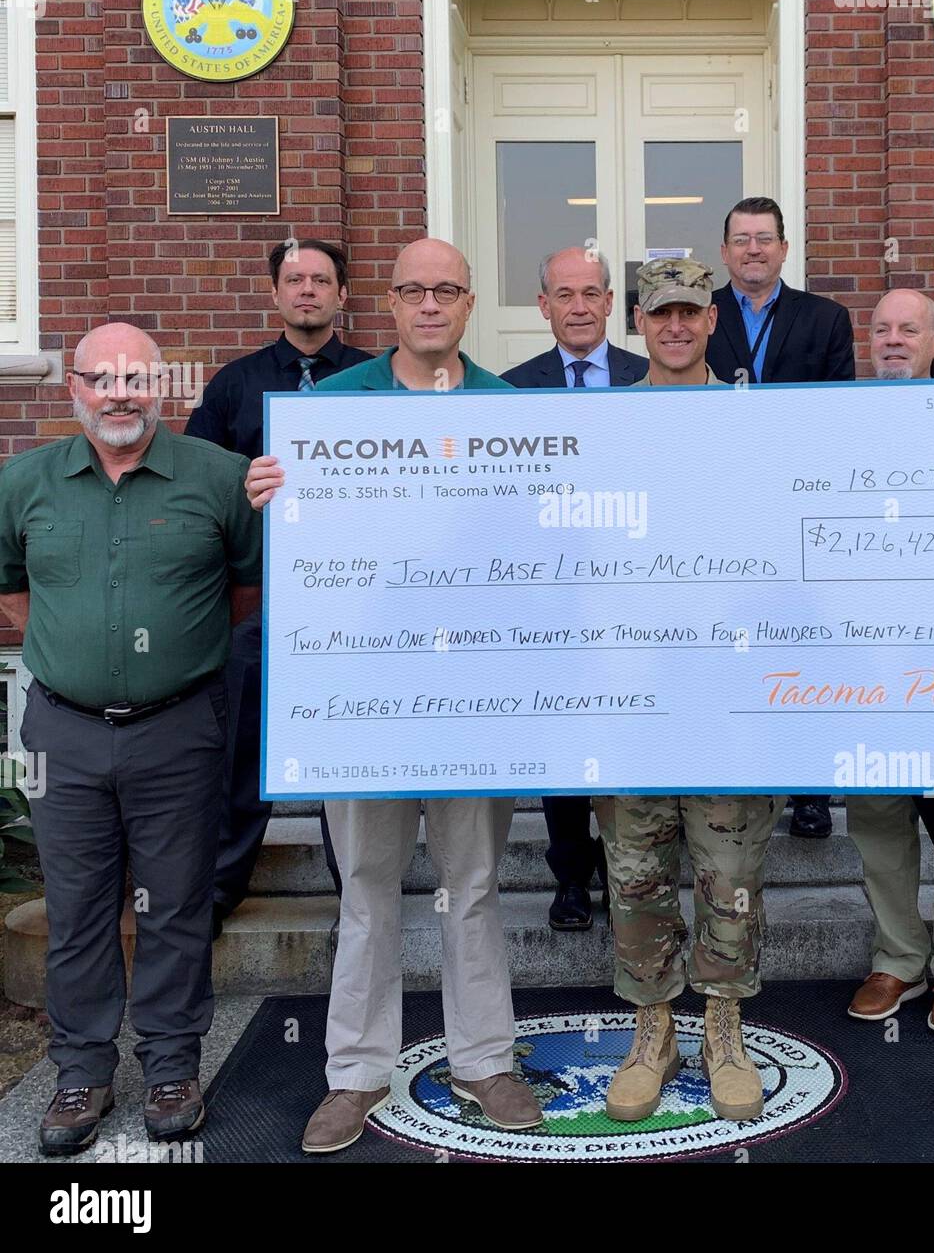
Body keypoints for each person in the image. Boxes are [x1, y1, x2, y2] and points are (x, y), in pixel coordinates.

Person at [245, 238, 543, 1152]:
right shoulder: (329, 409)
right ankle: (356, 1072)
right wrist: (269, 500)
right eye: (411, 290)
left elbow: (541, 555)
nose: (427, 304)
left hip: (471, 697)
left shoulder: (508, 409)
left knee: (474, 884)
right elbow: (294, 561)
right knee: (368, 887)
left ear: (468, 302)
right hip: (364, 695)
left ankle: (485, 1058)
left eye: (445, 289)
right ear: (389, 301)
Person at [0, 322, 261, 1156]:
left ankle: (172, 1066)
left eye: (136, 379)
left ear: (162, 388)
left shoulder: (219, 479)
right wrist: (77, 659)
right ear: (73, 387)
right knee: (76, 911)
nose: (120, 394)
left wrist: (169, 660)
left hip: (179, 730)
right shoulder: (25, 482)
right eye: (101, 379)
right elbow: (11, 590)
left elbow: (246, 592)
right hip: (64, 733)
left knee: (176, 905)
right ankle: (80, 1071)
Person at [593, 257, 783, 1124]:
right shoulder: (601, 425)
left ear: (713, 321)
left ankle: (725, 1028)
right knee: (636, 871)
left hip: (727, 693)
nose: (675, 326)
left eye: (690, 313)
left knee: (730, 869)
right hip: (630, 691)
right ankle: (653, 1030)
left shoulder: (754, 422)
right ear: (638, 321)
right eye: (660, 312)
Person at [186, 240, 371, 933]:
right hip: (260, 599)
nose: (307, 292)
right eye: (294, 280)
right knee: (243, 750)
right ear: (275, 293)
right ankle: (219, 890)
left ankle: (355, 894)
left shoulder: (371, 379)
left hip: (354, 603)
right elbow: (199, 489)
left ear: (341, 295)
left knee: (341, 758)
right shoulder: (235, 385)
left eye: (321, 281)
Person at [845, 289, 934, 1035]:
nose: (893, 339)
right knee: (877, 815)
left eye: (910, 329)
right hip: (865, 662)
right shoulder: (844, 425)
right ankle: (897, 956)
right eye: (882, 329)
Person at [502, 246, 648, 930]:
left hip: (632, 595)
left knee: (622, 739)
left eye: (592, 293)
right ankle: (570, 879)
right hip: (548, 599)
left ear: (612, 303)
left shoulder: (650, 380)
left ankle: (628, 877)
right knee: (562, 745)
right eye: (565, 294)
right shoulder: (509, 390)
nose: (580, 306)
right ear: (543, 306)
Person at [708, 195, 855, 839]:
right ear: (725, 251)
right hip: (721, 500)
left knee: (806, 644)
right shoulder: (695, 315)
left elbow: (836, 412)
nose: (753, 250)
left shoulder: (825, 318)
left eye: (765, 238)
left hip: (799, 503)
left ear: (785, 249)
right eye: (741, 239)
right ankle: (730, 761)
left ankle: (810, 788)